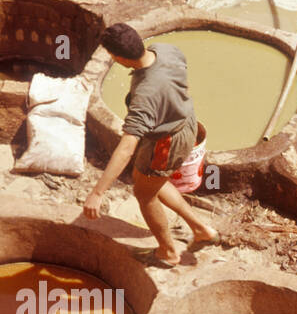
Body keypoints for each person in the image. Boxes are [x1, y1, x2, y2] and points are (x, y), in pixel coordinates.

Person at [82, 24, 219, 265]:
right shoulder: (165, 50)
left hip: (166, 143)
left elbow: (126, 148)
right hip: (187, 121)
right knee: (150, 180)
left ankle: (168, 252)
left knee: (144, 194)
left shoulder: (145, 95)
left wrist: (97, 192)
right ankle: (201, 230)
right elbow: (182, 81)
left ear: (120, 57)